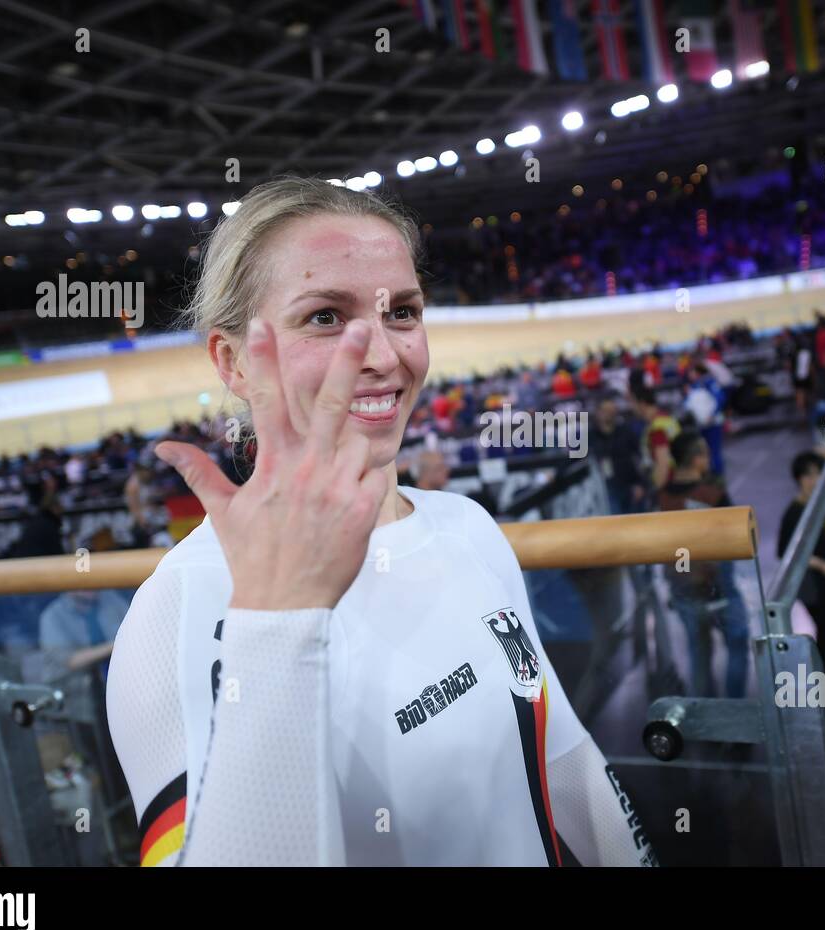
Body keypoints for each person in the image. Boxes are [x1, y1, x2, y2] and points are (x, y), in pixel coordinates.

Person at [107, 176, 657, 867]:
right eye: (325, 318)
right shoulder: (175, 614)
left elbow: (566, 758)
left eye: (402, 311)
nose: (383, 355)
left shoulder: (467, 529)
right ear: (233, 361)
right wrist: (280, 619)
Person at [655, 430, 750, 698]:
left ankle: (706, 723)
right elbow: (735, 535)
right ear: (697, 459)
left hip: (682, 588)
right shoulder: (712, 493)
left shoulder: (662, 498)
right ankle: (735, 718)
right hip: (719, 587)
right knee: (737, 645)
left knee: (698, 655)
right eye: (706, 453)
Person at [775, 451, 825, 673]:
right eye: (807, 475)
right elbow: (786, 553)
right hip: (814, 587)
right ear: (798, 479)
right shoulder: (794, 513)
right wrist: (823, 566)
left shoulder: (824, 507)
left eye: (818, 474)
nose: (813, 481)